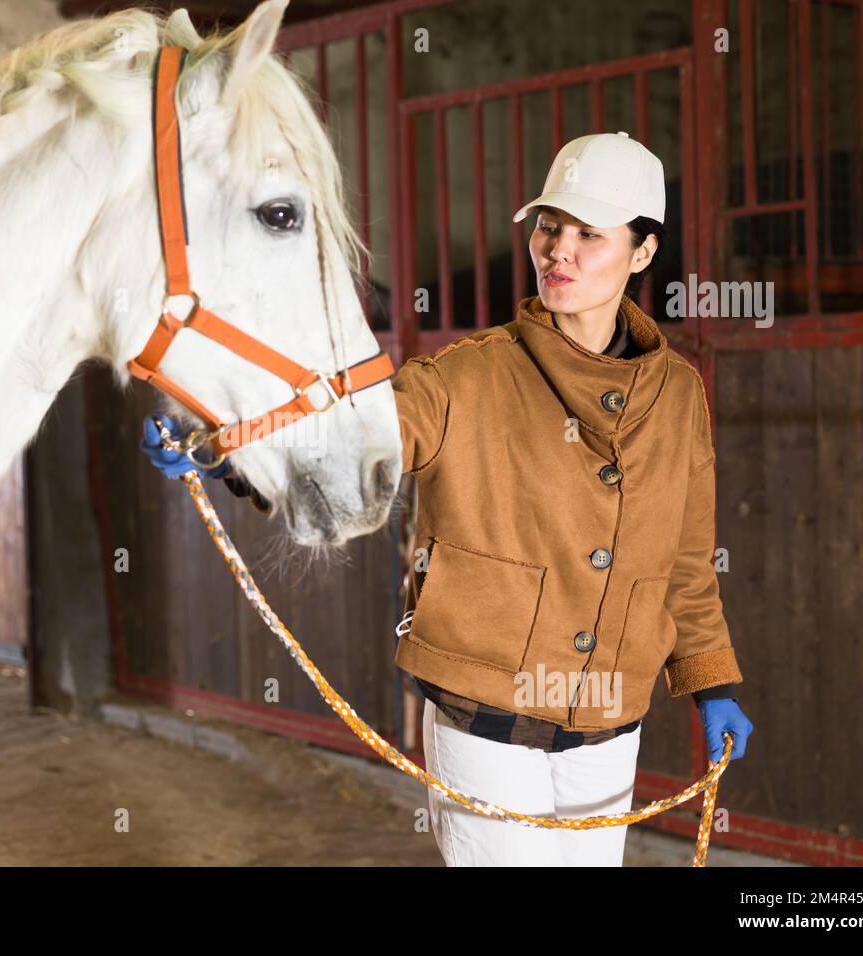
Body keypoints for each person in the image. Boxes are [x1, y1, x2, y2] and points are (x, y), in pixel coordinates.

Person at [142, 131, 753, 866]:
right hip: (482, 719)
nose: (559, 251)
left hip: (611, 721)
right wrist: (232, 450)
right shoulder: (460, 379)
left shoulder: (680, 395)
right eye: (549, 227)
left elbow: (687, 558)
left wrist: (709, 678)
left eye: (590, 235)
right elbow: (358, 443)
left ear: (643, 253)